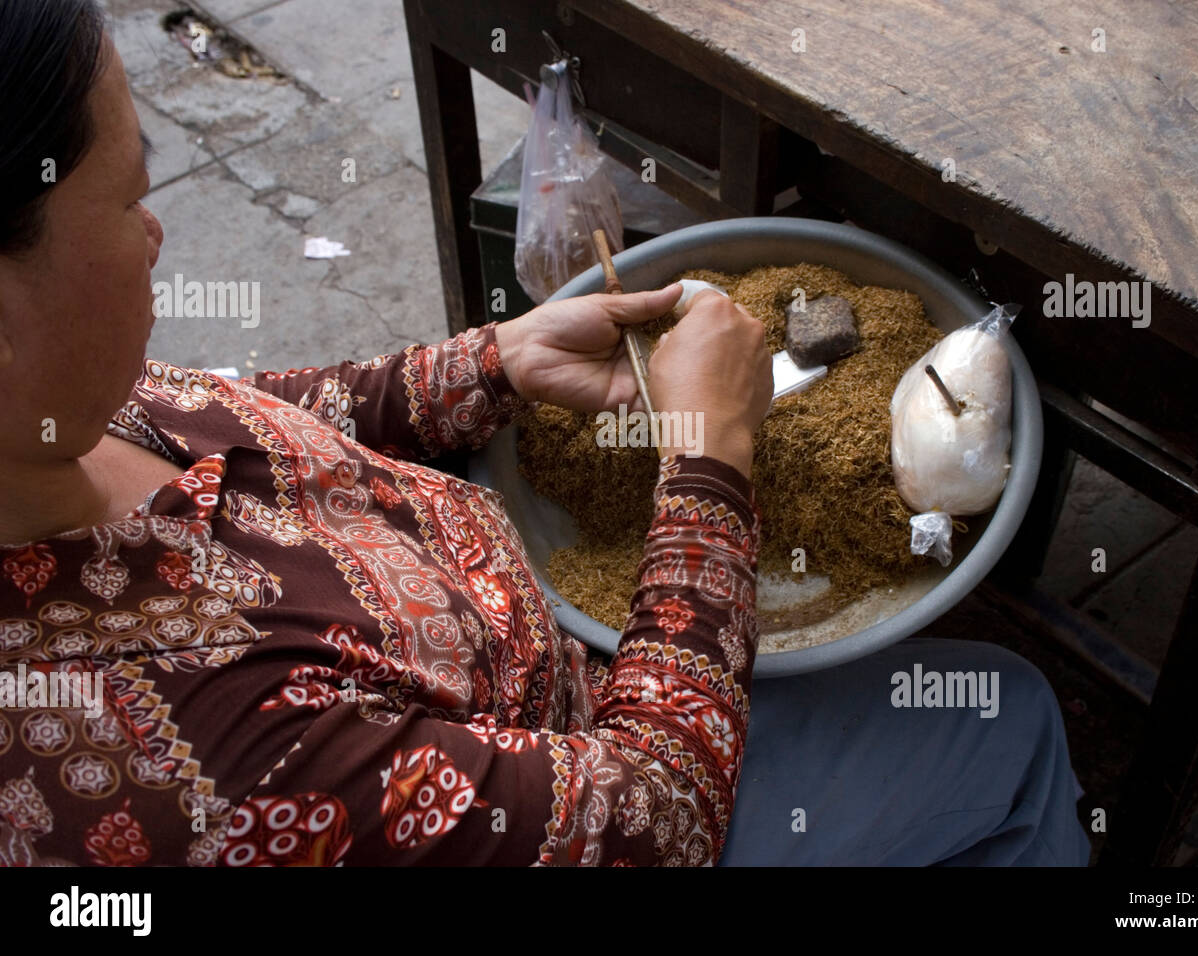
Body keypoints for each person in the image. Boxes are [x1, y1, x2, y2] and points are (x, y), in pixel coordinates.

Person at [0, 0, 1089, 866]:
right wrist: (708, 459)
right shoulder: (214, 766)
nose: (155, 233)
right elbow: (656, 822)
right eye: (128, 197)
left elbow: (265, 415)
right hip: (620, 773)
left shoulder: (56, 419)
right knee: (1011, 717)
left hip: (569, 656)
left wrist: (495, 363)